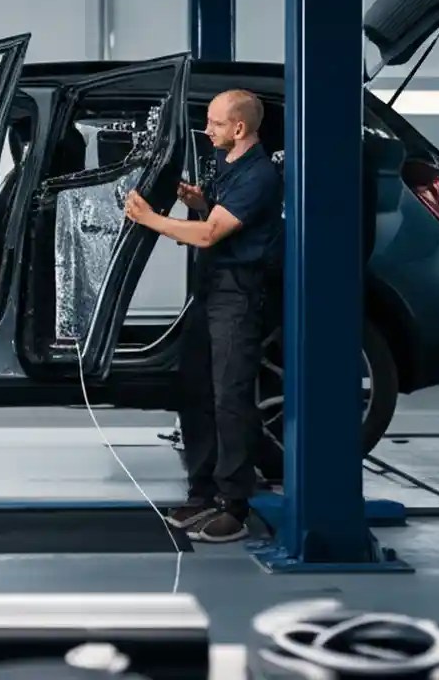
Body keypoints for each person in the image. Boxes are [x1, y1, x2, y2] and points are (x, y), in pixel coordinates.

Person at [123, 88, 282, 543]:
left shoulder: (258, 176)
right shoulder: (229, 167)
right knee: (195, 391)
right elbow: (215, 215)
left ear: (239, 128)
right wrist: (197, 202)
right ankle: (204, 490)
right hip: (210, 294)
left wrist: (151, 218)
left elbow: (213, 234)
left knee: (230, 398)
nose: (207, 129)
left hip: (237, 297)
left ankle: (234, 505)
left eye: (214, 123)